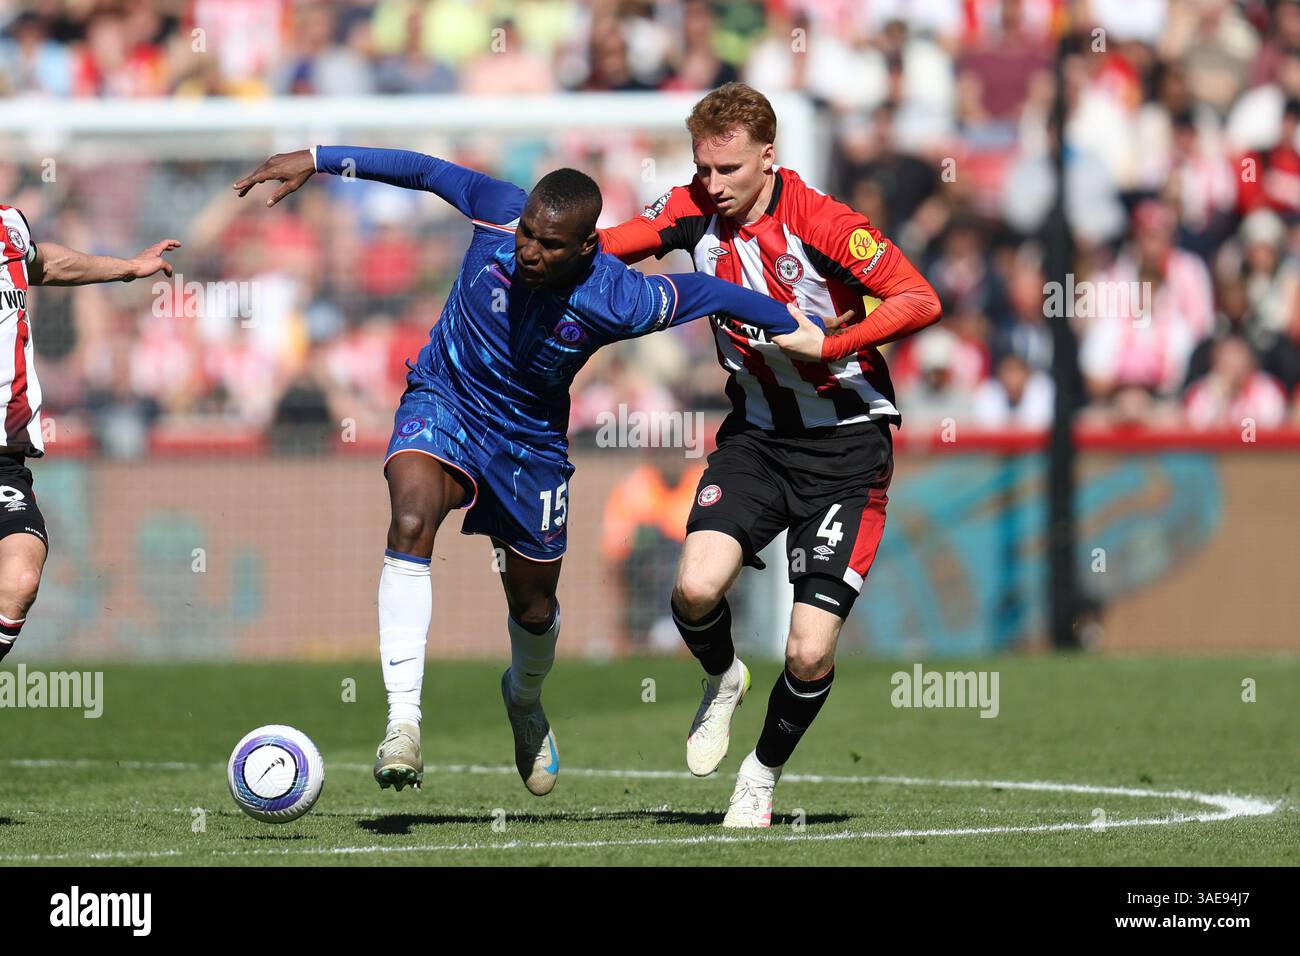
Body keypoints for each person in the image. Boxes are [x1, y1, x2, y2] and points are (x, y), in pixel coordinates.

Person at [233, 146, 835, 796]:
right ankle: (403, 722)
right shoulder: (496, 213)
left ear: (584, 250)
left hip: (530, 446)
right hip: (446, 399)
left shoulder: (618, 297)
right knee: (409, 518)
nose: (528, 251)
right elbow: (424, 171)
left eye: (549, 245)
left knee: (533, 602)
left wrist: (801, 327)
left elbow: (708, 291)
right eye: (527, 235)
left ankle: (523, 698)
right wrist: (321, 159)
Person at [599, 82, 942, 827]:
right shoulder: (693, 206)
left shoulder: (822, 220)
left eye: (727, 171)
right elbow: (611, 244)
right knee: (694, 589)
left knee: (809, 650)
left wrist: (832, 343)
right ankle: (722, 678)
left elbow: (919, 299)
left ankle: (759, 773)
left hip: (847, 452)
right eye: (702, 169)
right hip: (756, 440)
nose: (711, 186)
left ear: (767, 156)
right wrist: (540, 249)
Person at [0, 204, 179, 662]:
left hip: (4, 454)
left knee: (20, 577)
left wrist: (127, 269)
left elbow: (47, 263)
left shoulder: (9, 226)